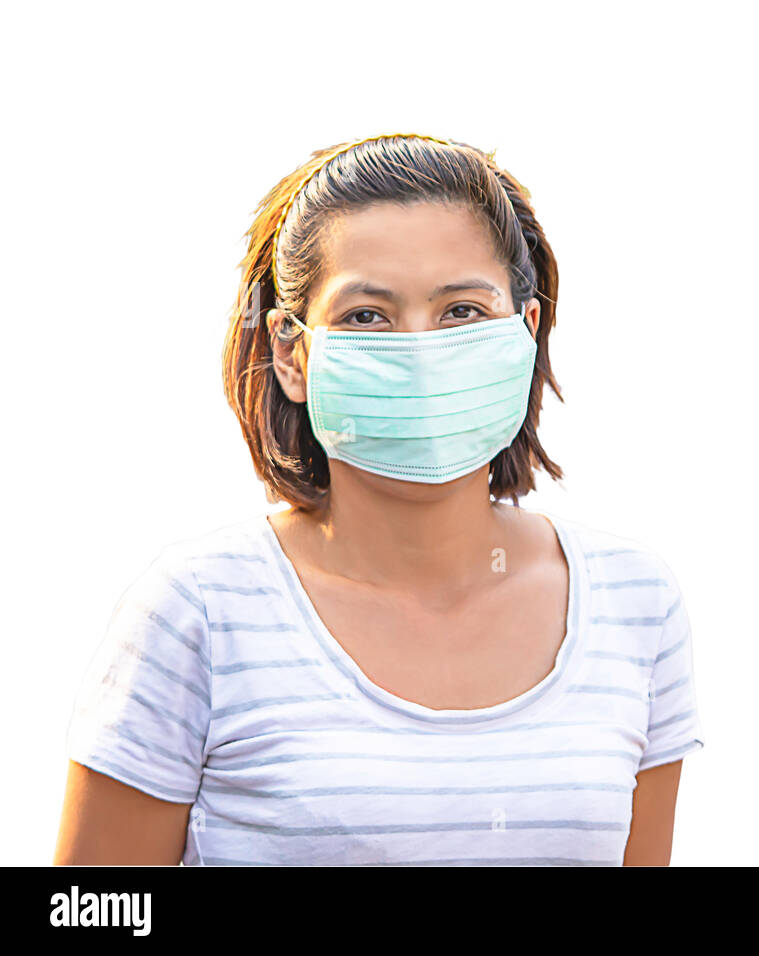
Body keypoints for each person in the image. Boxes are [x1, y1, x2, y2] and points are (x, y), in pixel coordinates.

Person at [53, 133, 704, 866]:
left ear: (525, 333)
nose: (421, 350)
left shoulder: (634, 603)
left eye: (461, 311)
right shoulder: (197, 612)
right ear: (293, 355)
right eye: (368, 316)